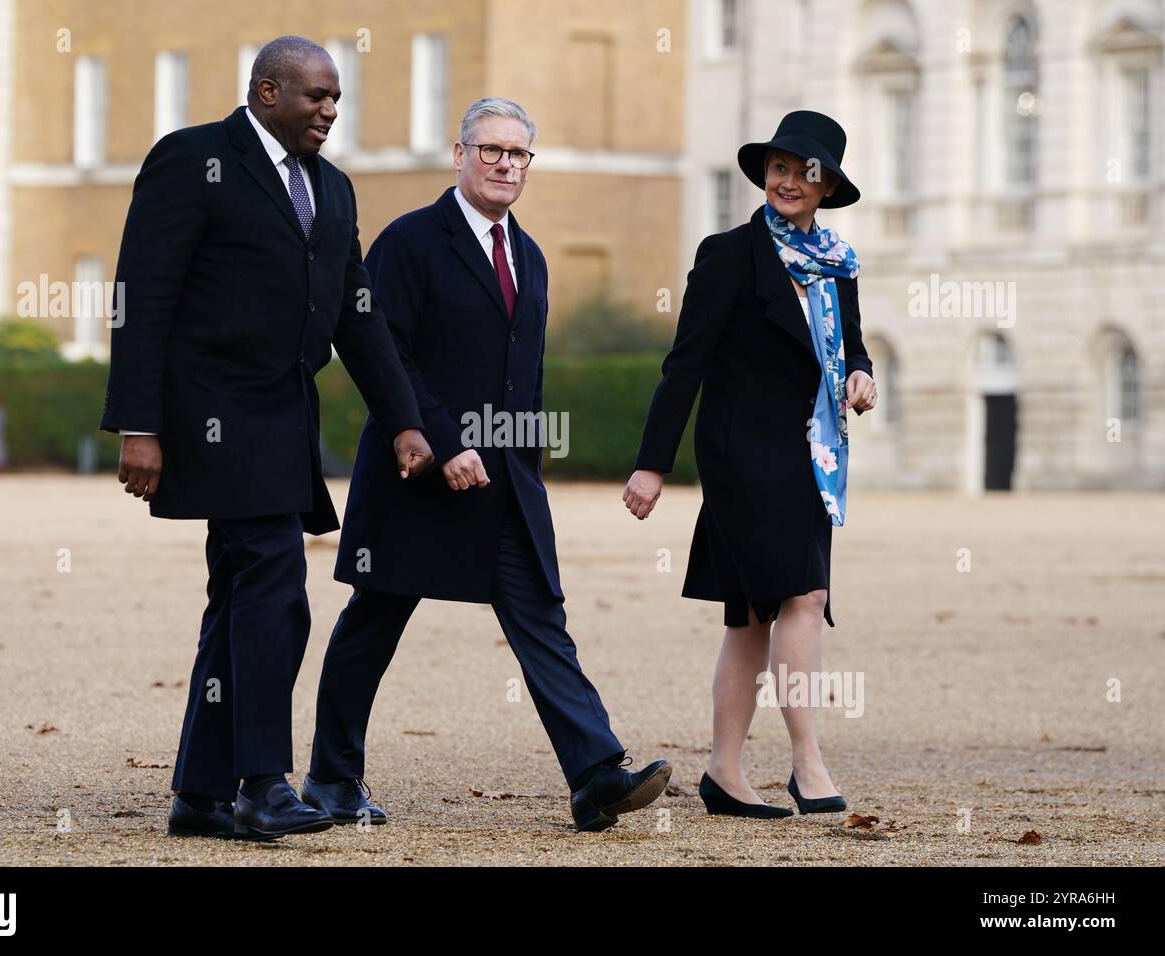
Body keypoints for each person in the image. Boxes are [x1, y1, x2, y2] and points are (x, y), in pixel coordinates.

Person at [99, 36, 434, 840]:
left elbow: (359, 313)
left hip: (286, 416)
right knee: (276, 592)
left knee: (241, 597)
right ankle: (263, 783)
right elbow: (140, 295)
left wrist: (405, 420)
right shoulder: (192, 158)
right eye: (315, 96)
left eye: (336, 99)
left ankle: (202, 794)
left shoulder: (334, 189)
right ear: (265, 91)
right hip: (209, 411)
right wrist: (139, 424)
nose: (329, 111)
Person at [305, 97, 671, 833]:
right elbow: (381, 352)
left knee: (541, 616)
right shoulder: (409, 242)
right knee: (373, 620)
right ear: (460, 154)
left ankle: (595, 774)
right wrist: (441, 439)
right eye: (491, 151)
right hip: (414, 474)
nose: (506, 165)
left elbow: (520, 381)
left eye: (518, 155)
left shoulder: (530, 257)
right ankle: (330, 779)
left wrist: (525, 471)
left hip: (503, 484)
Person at [623, 110, 876, 819]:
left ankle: (725, 773)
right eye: (779, 168)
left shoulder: (838, 263)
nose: (789, 181)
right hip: (743, 454)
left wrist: (862, 377)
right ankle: (807, 762)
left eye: (805, 172)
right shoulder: (728, 254)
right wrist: (652, 465)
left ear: (827, 185)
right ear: (765, 175)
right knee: (806, 597)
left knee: (752, 616)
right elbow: (686, 364)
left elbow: (850, 348)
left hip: (814, 454)